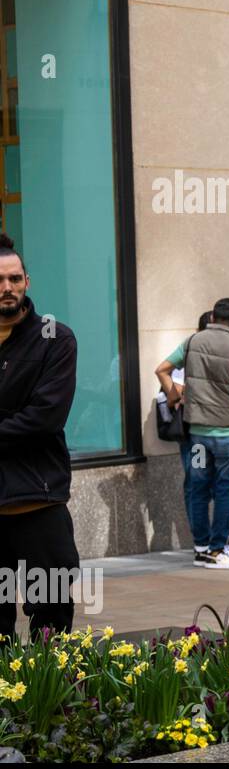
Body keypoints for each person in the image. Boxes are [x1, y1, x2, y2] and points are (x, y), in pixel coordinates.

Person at [0, 234, 79, 639]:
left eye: (15, 279)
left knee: (51, 620)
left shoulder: (55, 338)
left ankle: (52, 702)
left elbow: (44, 417)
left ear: (27, 281)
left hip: (38, 502)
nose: (7, 288)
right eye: (0, 280)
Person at [156, 297, 229, 570]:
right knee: (225, 492)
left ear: (212, 316)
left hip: (198, 435)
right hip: (227, 436)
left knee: (198, 488)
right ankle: (217, 549)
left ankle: (201, 548)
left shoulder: (192, 342)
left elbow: (161, 369)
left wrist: (175, 395)